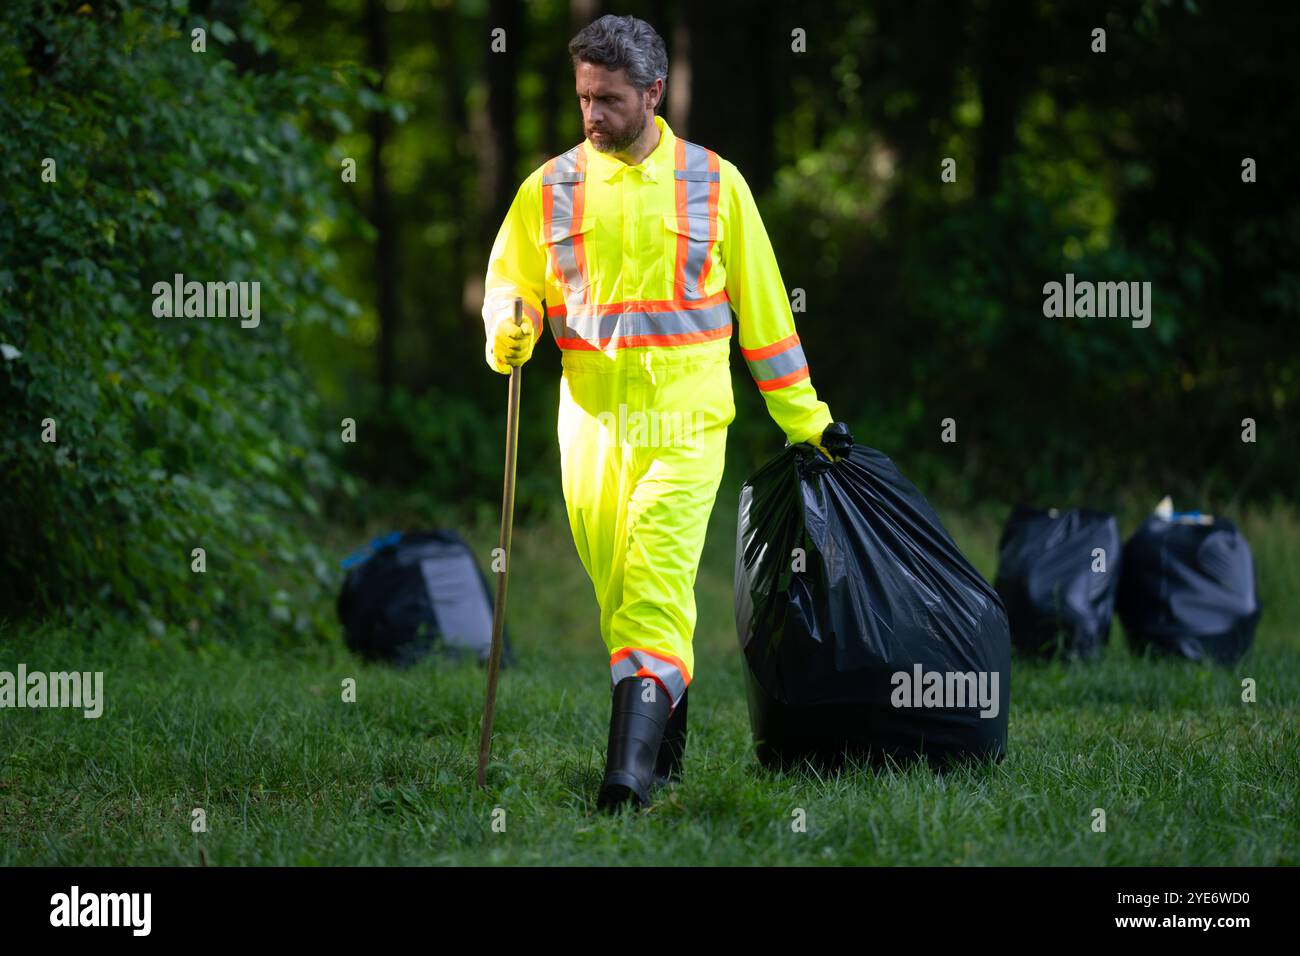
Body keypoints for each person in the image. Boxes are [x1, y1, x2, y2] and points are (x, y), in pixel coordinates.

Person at [481, 14, 842, 811]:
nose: (591, 116)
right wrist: (509, 325)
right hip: (589, 428)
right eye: (582, 99)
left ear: (653, 93)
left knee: (653, 583)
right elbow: (512, 282)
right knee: (622, 596)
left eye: (607, 99)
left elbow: (767, 317)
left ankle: (628, 782)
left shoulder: (718, 184)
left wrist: (806, 421)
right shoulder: (551, 187)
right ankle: (666, 754)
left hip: (686, 424)